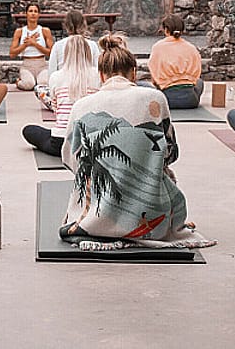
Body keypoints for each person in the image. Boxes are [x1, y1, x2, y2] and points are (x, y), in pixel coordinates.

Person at [60, 34, 189, 241]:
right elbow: (170, 153)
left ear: (101, 75)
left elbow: (70, 160)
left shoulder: (81, 107)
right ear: (134, 73)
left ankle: (97, 223)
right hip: (153, 210)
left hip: (96, 209)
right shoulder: (155, 98)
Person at [22, 36, 101, 156]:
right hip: (91, 143)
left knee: (29, 130)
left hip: (61, 142)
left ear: (66, 54)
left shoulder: (56, 76)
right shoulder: (98, 75)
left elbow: (55, 108)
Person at [147, 14, 205, 109]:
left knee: (142, 85)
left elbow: (154, 78)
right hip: (191, 101)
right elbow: (196, 76)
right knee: (200, 82)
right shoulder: (191, 48)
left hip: (166, 100)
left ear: (166, 30)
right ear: (182, 30)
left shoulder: (158, 47)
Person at [45, 10, 101, 78]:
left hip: (64, 85)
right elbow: (98, 70)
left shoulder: (58, 45)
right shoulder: (92, 45)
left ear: (66, 25)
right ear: (84, 25)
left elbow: (51, 72)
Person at [11, 3, 53, 91]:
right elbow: (12, 53)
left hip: (41, 64)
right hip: (27, 65)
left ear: (38, 15)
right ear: (26, 14)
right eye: (30, 11)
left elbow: (51, 52)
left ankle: (37, 81)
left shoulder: (45, 31)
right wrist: (26, 44)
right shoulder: (20, 31)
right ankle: (18, 81)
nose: (33, 13)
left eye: (35, 11)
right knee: (28, 85)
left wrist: (35, 44)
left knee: (44, 84)